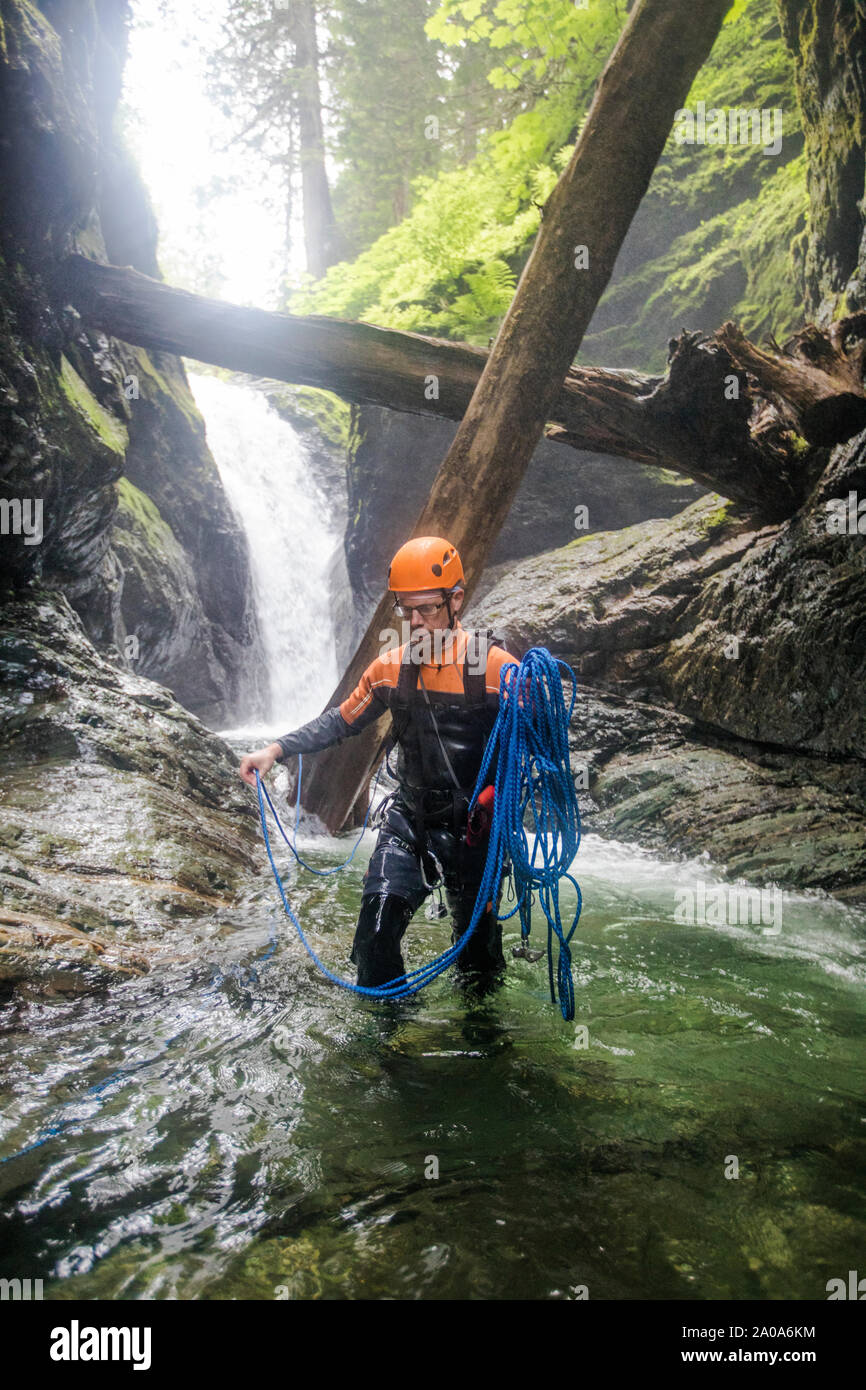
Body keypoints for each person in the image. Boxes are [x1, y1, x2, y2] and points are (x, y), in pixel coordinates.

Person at [238, 536, 520, 991]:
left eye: (427, 608)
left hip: (475, 829)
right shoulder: (391, 669)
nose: (416, 622)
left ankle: (479, 1050)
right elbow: (341, 722)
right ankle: (392, 1046)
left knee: (478, 964)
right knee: (373, 939)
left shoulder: (495, 669)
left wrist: (504, 797)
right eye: (406, 610)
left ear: (456, 600)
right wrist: (275, 750)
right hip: (410, 822)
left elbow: (536, 747)